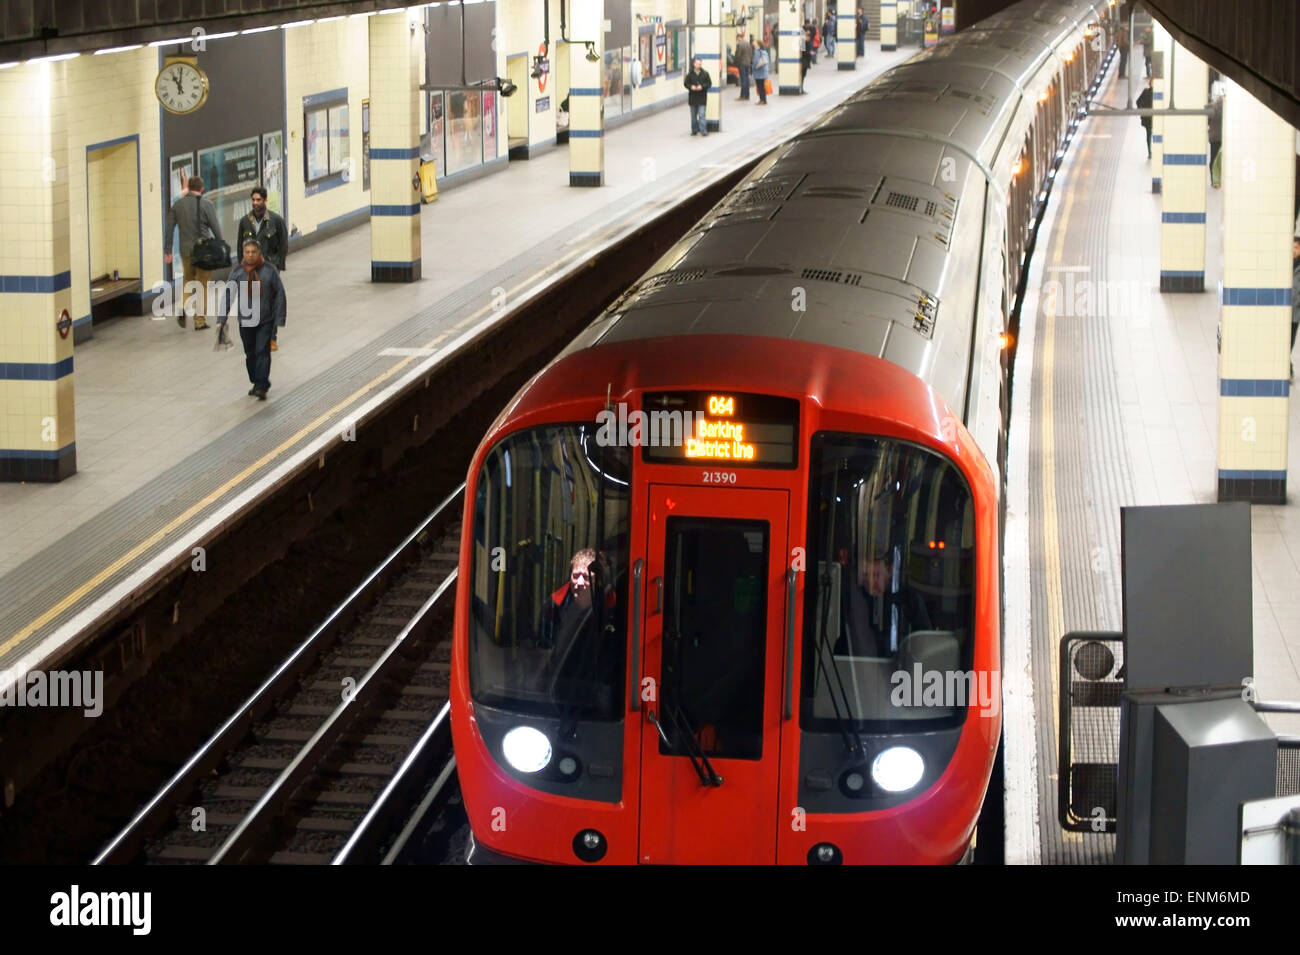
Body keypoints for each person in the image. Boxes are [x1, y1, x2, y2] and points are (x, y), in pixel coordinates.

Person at [218, 239, 286, 400]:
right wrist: (222, 318)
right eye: (247, 252)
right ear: (243, 253)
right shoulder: (237, 272)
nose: (250, 255)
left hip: (265, 319)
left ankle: (262, 385)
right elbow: (228, 295)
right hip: (246, 320)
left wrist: (279, 318)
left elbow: (280, 295)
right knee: (250, 353)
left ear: (259, 253)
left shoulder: (270, 271)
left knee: (262, 351)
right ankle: (256, 381)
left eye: (253, 252)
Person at [840, 550, 932, 658]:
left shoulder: (909, 599)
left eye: (876, 574)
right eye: (866, 576)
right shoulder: (855, 602)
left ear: (890, 570)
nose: (871, 582)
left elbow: (926, 641)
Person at [164, 175, 223, 331]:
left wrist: (168, 250)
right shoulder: (207, 204)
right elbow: (215, 227)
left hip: (185, 251)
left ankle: (183, 306)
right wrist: (220, 243)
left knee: (188, 281)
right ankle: (199, 321)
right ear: (202, 188)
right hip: (204, 251)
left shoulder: (177, 205)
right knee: (202, 285)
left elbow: (169, 228)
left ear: (189, 188)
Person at [236, 186, 287, 350]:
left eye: (258, 200)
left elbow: (283, 244)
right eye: (253, 200)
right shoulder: (245, 222)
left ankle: (272, 337)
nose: (255, 203)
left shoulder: (275, 220)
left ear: (265, 201)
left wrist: (279, 264)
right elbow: (239, 246)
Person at [684, 57, 712, 136]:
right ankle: (694, 130)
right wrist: (691, 87)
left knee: (702, 114)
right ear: (694, 64)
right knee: (693, 116)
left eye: (700, 64)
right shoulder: (690, 74)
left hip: (702, 97)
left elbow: (709, 84)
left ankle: (703, 130)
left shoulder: (705, 74)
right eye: (697, 63)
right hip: (693, 98)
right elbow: (686, 83)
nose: (699, 65)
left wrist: (702, 87)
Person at [1207, 93, 1223, 188]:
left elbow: (1208, 120)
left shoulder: (1212, 108)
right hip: (1223, 138)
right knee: (1220, 159)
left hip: (1214, 137)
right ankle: (1219, 179)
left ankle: (1214, 181)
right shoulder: (1226, 109)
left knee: (1213, 158)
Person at [1136, 79, 1153, 158]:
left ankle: (1150, 152)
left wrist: (1141, 110)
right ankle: (1150, 152)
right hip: (1149, 119)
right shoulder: (1146, 92)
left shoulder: (1146, 92)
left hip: (1149, 118)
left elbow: (1138, 102)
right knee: (1149, 134)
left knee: (1149, 134)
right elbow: (1138, 101)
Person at [1291, 236, 1300, 381]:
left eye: (1297, 247)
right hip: (1282, 310)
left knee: (1290, 340)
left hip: (1295, 312)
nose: (1294, 250)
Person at [735, 32, 753, 101]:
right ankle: (747, 95)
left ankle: (742, 95)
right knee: (747, 79)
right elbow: (751, 54)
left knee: (743, 79)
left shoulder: (739, 44)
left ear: (739, 38)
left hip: (742, 64)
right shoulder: (748, 44)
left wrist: (736, 62)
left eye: (737, 38)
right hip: (748, 63)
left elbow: (738, 55)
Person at [752, 38, 770, 104]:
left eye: (755, 42)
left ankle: (762, 100)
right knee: (762, 86)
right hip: (763, 71)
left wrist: (753, 67)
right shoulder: (764, 51)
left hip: (759, 72)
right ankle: (763, 99)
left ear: (758, 44)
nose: (753, 43)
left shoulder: (757, 51)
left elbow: (755, 61)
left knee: (760, 87)